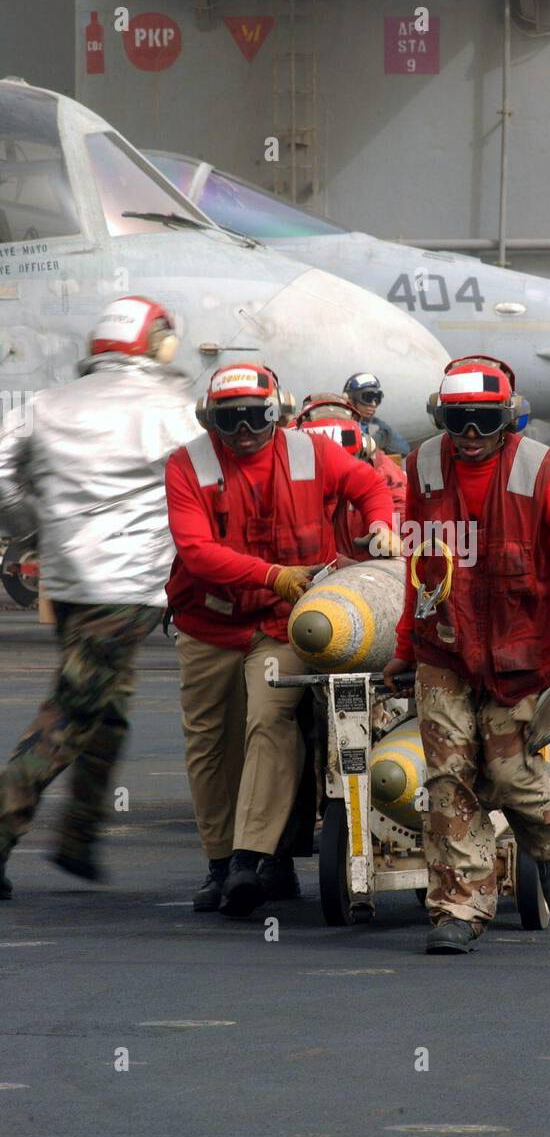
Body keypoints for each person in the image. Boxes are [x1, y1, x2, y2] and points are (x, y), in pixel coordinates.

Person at [383, 357, 550, 953]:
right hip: (446, 649)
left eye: (484, 422)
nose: (469, 435)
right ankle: (459, 909)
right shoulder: (424, 466)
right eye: (459, 420)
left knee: (510, 771)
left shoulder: (543, 472)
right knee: (448, 776)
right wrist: (406, 646)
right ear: (444, 417)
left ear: (507, 421)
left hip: (522, 654)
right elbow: (422, 564)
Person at [165, 363, 396, 917]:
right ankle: (219, 862)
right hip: (210, 625)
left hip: (281, 626)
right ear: (211, 419)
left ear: (277, 413)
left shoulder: (308, 454)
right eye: (230, 419)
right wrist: (272, 574)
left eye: (255, 416)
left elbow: (367, 484)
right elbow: (196, 552)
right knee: (211, 745)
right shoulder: (188, 465)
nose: (243, 429)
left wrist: (383, 522)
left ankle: (250, 858)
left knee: (270, 723)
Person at [0, 296, 200, 898]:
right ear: (160, 344)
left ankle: (79, 838)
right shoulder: (173, 411)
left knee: (104, 703)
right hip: (129, 589)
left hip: (64, 583)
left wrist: (34, 527)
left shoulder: (45, 405)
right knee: (71, 711)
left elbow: (3, 476)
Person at [296, 397, 407, 559]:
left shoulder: (377, 465)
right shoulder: (288, 471)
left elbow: (399, 506)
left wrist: (387, 530)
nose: (336, 470)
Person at [342, 372, 410, 457]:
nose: (373, 404)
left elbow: (403, 449)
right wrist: (372, 443)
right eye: (367, 397)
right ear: (350, 400)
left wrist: (382, 438)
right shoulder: (338, 425)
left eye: (377, 398)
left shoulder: (377, 426)